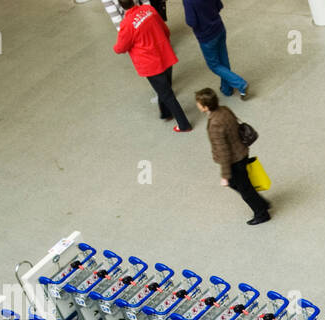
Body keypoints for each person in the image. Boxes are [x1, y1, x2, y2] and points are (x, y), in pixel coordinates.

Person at [113, 0, 191, 133]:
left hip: (150, 64)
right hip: (165, 54)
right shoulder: (149, 9)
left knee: (167, 94)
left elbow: (120, 48)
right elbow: (165, 29)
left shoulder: (126, 24)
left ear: (120, 6)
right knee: (165, 87)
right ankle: (166, 112)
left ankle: (183, 124)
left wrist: (115, 47)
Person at [196, 89, 270, 224]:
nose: (197, 105)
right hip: (242, 151)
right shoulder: (224, 110)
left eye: (199, 103)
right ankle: (261, 204)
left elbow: (223, 151)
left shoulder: (215, 124)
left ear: (205, 106)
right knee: (242, 184)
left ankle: (261, 213)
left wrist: (225, 176)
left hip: (235, 160)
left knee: (244, 188)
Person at [183, 0, 249, 101]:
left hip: (206, 37)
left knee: (214, 65)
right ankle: (227, 89)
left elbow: (191, 22)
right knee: (223, 60)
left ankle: (240, 83)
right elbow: (219, 6)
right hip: (219, 28)